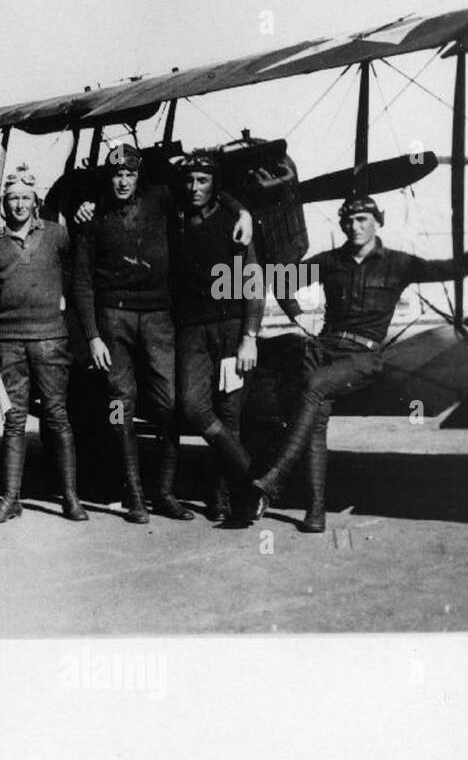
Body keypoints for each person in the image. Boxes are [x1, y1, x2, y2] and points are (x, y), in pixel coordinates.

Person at [252, 193, 468, 532]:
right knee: (316, 425)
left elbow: (451, 268)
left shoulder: (400, 263)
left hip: (362, 358)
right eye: (349, 221)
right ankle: (316, 512)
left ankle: (277, 476)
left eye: (363, 219)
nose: (355, 226)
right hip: (322, 349)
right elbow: (281, 280)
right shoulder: (329, 261)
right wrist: (298, 317)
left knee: (311, 387)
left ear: (377, 221)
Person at [71, 143, 252, 524]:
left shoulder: (161, 198)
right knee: (121, 403)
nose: (123, 181)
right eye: (117, 174)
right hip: (112, 320)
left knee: (170, 403)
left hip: (158, 317)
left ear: (140, 176)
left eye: (130, 174)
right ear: (109, 177)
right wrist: (92, 336)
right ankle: (136, 495)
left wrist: (242, 210)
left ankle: (165, 492)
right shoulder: (93, 216)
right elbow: (82, 282)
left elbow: (203, 189)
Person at [0, 163, 86, 524]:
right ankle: (10, 499)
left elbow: (78, 277)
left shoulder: (57, 235)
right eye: (13, 199)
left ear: (35, 202)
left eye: (25, 198)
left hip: (51, 340)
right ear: (4, 204)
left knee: (57, 417)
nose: (19, 204)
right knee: (14, 420)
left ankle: (70, 497)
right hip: (8, 345)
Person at [173, 151, 264, 523]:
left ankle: (225, 498)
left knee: (230, 414)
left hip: (230, 328)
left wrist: (250, 336)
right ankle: (252, 476)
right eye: (190, 180)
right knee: (194, 405)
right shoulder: (175, 216)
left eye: (203, 181)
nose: (195, 187)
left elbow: (253, 282)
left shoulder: (233, 223)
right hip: (192, 329)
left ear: (215, 184)